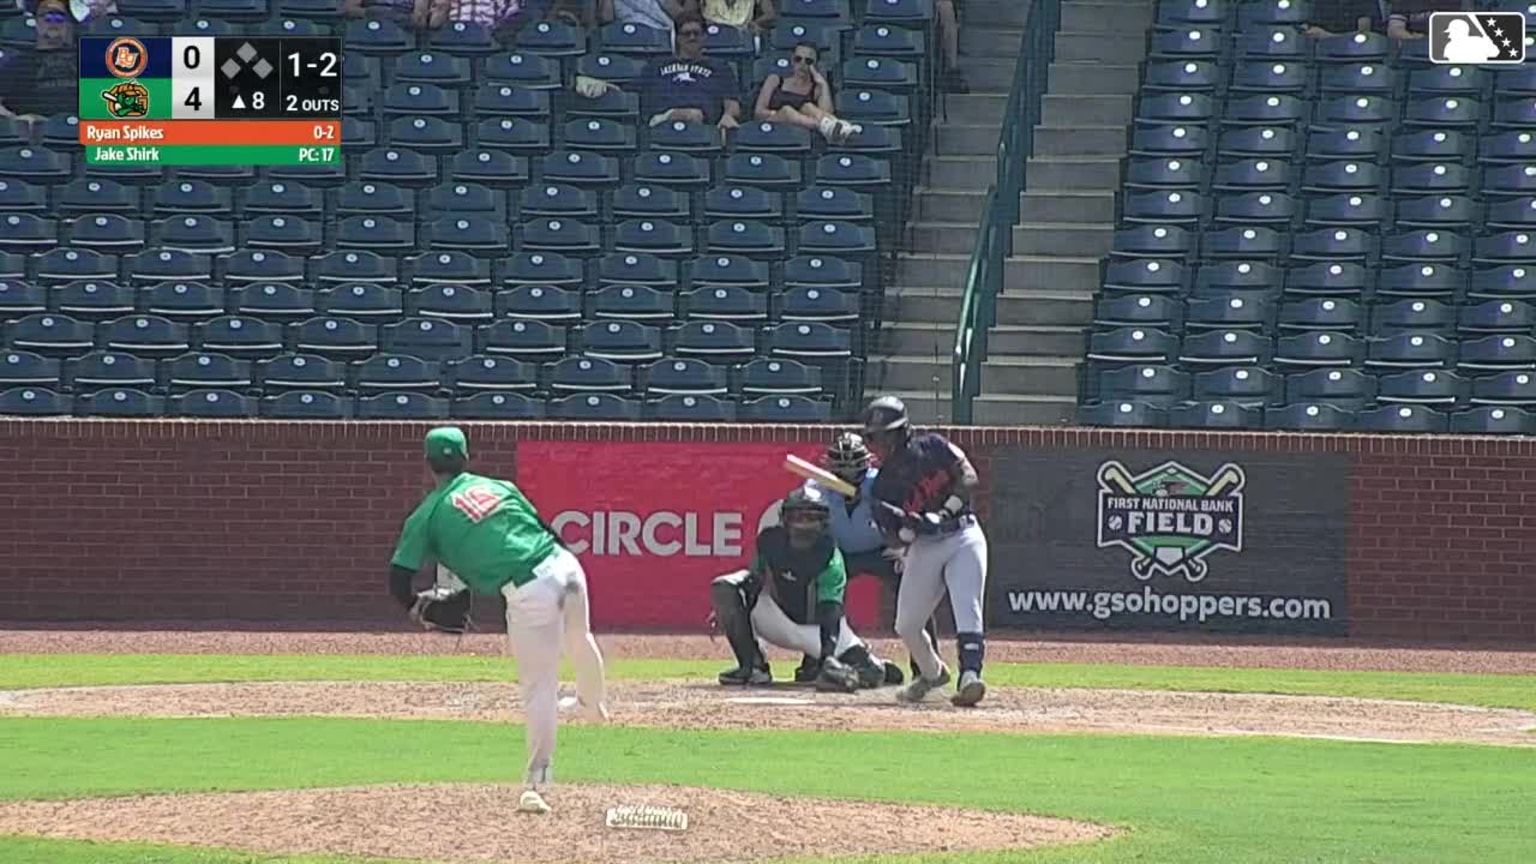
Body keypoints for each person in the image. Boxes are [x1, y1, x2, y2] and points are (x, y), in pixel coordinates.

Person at [388, 427, 608, 816]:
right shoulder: (499, 486)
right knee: (580, 637)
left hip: (528, 588)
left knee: (540, 686)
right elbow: (546, 528)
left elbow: (398, 578)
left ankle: (538, 783)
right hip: (565, 562)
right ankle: (593, 705)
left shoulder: (426, 515)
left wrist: (414, 608)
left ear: (428, 465)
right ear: (466, 458)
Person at [708, 487, 903, 692]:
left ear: (824, 522)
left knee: (873, 674)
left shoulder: (829, 557)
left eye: (812, 518)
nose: (804, 525)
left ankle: (861, 661)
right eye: (798, 517)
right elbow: (754, 581)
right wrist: (727, 610)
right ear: (785, 519)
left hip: (815, 629)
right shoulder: (769, 541)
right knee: (726, 587)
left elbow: (831, 614)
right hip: (776, 619)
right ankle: (753, 667)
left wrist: (828, 657)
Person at [862, 395, 990, 708]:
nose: (877, 444)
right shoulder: (881, 488)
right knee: (906, 624)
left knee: (966, 603)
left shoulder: (934, 447)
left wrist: (941, 515)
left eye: (882, 436)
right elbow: (892, 540)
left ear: (900, 432)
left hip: (962, 534)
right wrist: (907, 531)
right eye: (873, 437)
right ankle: (933, 673)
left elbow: (968, 478)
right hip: (924, 547)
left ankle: (970, 676)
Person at [791, 432, 937, 684]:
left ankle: (926, 665)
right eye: (842, 467)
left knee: (914, 587)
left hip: (883, 548)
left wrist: (878, 501)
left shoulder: (882, 482)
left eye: (853, 467)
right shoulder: (817, 487)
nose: (847, 473)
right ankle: (816, 660)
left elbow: (905, 512)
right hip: (839, 552)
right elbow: (805, 515)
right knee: (820, 591)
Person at [751, 42, 862, 144]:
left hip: (801, 132)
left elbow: (826, 113)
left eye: (808, 61)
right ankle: (829, 128)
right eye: (798, 59)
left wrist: (823, 84)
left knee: (808, 106)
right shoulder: (775, 80)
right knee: (787, 110)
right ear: (792, 61)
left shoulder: (816, 87)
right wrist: (779, 114)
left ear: (815, 65)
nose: (802, 64)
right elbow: (758, 113)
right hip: (772, 126)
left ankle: (843, 128)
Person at [0, 0, 80, 127]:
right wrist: (15, 120)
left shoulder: (85, 59)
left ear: (67, 26)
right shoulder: (20, 63)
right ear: (37, 23)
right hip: (37, 134)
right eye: (47, 18)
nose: (53, 23)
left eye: (59, 19)